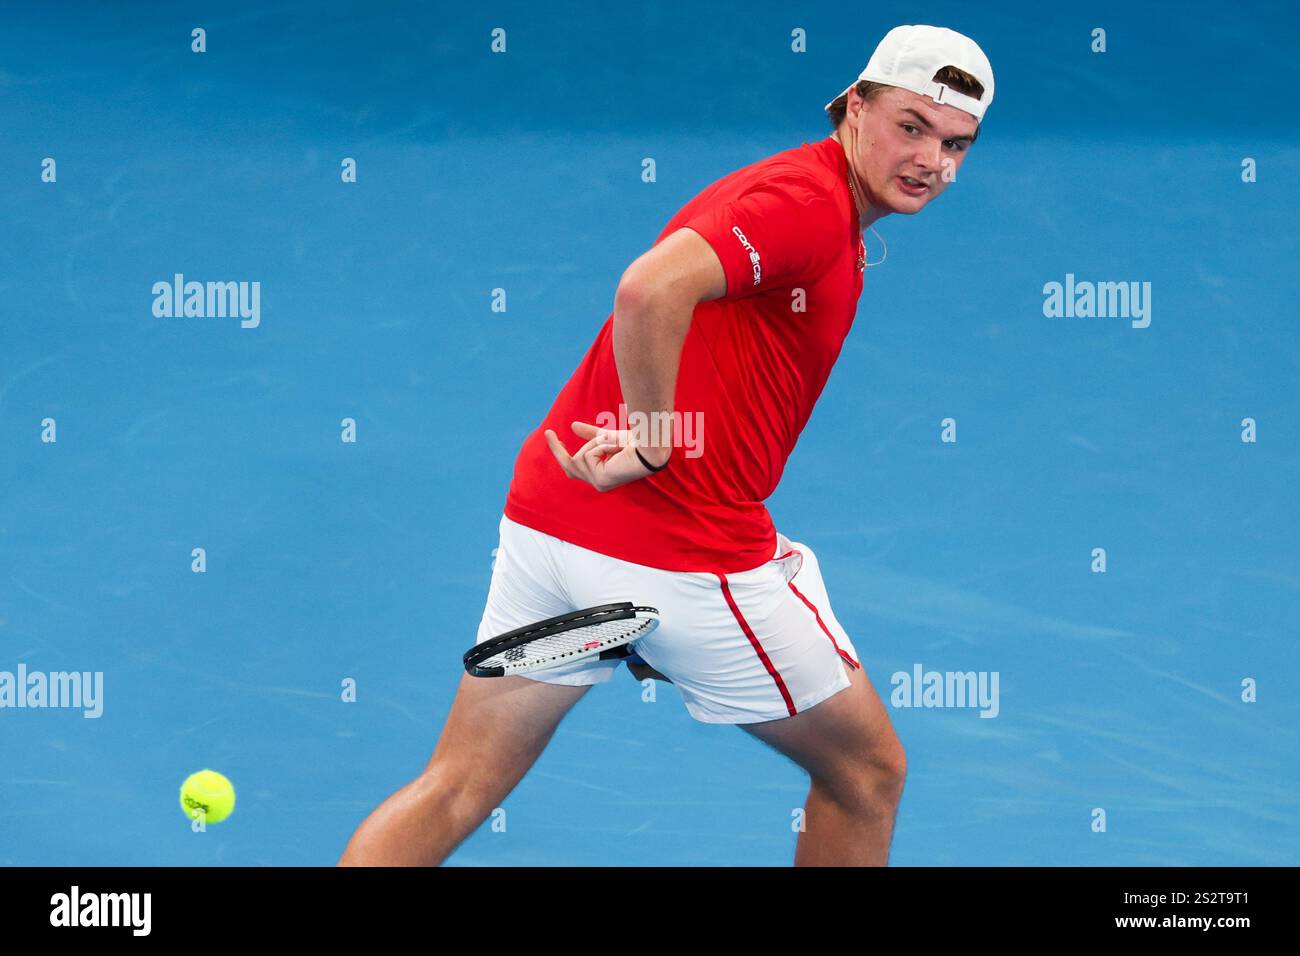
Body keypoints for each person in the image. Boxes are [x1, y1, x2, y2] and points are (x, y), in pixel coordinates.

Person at [339, 24, 995, 867]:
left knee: (459, 783)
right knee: (866, 773)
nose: (932, 160)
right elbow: (650, 286)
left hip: (553, 526)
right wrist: (653, 440)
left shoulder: (799, 188)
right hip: (680, 556)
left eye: (955, 144)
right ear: (854, 108)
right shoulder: (806, 209)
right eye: (911, 126)